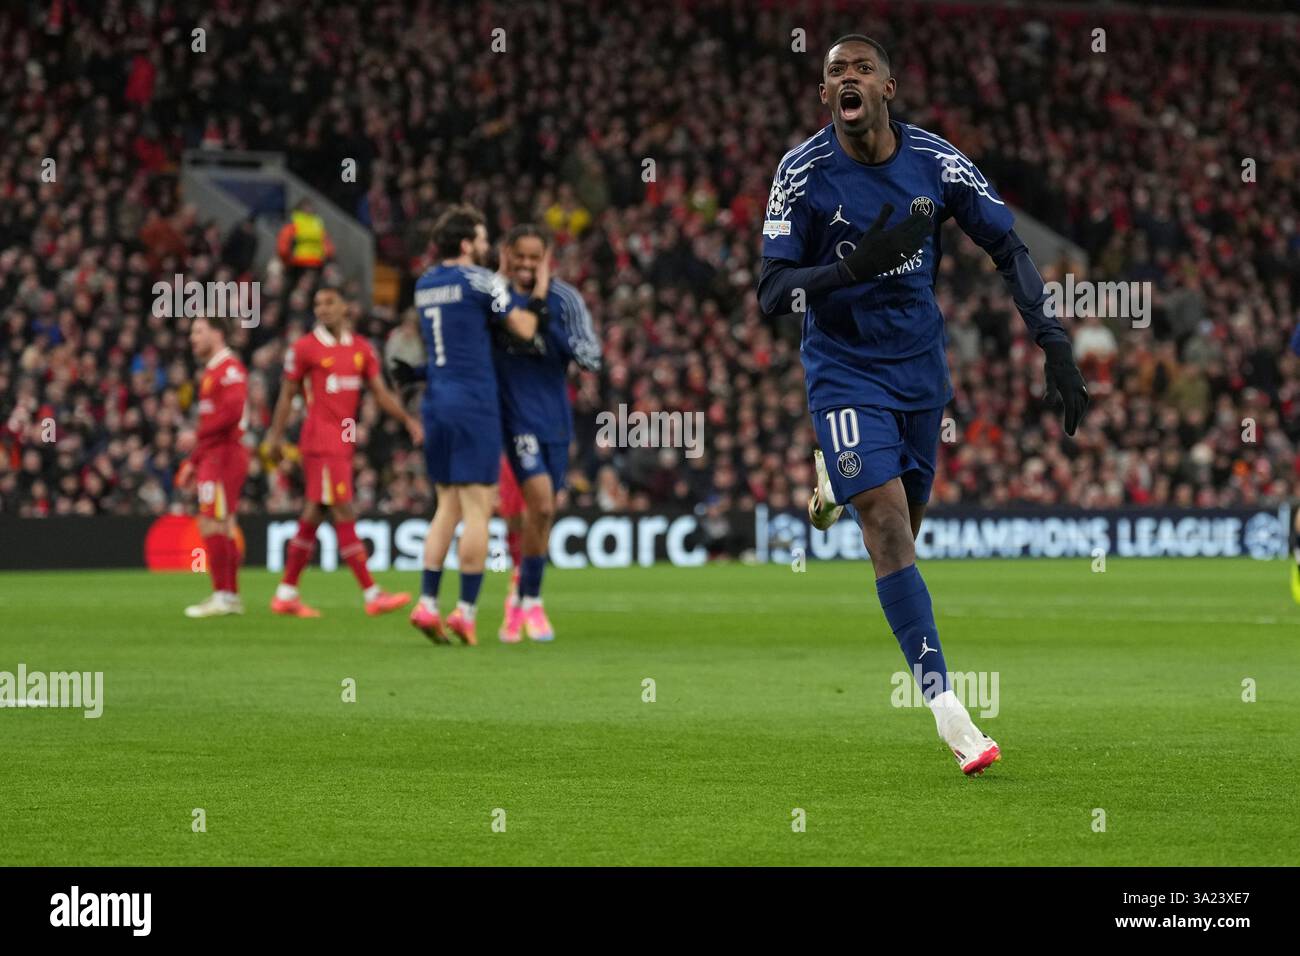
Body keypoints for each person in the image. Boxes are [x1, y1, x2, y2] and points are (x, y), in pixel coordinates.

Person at [756, 35, 1090, 775]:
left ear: (888, 87)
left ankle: (829, 484)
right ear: (824, 97)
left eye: (861, 69)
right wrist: (851, 267)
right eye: (835, 71)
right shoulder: (802, 174)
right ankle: (951, 712)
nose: (848, 78)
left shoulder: (937, 162)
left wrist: (1054, 340)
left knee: (905, 527)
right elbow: (773, 292)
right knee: (884, 527)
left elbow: (1009, 247)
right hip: (843, 371)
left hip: (918, 375)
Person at [407, 205, 547, 646]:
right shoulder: (480, 281)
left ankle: (427, 602)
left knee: (444, 506)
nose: (487, 246)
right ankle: (465, 612)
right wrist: (537, 289)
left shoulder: (424, 283)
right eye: (483, 239)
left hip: (435, 401)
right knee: (477, 508)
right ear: (467, 243)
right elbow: (523, 327)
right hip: (474, 403)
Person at [264, 285, 423, 617]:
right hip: (321, 442)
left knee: (313, 515)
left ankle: (286, 593)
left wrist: (407, 419)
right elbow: (286, 394)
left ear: (344, 307)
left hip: (343, 442)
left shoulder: (362, 349)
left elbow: (379, 393)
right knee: (343, 511)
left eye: (329, 301)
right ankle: (371, 593)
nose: (322, 308)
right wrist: (275, 438)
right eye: (318, 303)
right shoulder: (305, 348)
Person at [493, 225, 601, 643]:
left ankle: (527, 599)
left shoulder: (565, 299)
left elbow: (592, 356)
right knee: (524, 510)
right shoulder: (493, 298)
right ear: (506, 255)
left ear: (547, 258)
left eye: (533, 257)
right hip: (511, 420)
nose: (525, 264)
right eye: (518, 255)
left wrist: (554, 334)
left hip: (554, 420)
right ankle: (519, 597)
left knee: (541, 514)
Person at [179, 315, 250, 618]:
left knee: (215, 522)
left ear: (218, 334)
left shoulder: (229, 369)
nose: (192, 338)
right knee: (217, 522)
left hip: (224, 455)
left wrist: (196, 439)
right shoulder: (211, 372)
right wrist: (194, 460)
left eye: (198, 331)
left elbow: (232, 412)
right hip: (212, 454)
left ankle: (224, 595)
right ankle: (229, 595)